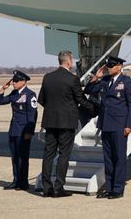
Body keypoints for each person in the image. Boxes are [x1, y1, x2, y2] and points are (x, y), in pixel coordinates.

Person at [37, 50, 92, 197]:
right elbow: (80, 99)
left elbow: (41, 99)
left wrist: (53, 110)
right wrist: (94, 108)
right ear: (68, 62)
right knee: (63, 155)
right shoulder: (72, 79)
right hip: (66, 122)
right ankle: (58, 187)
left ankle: (46, 187)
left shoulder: (47, 77)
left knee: (48, 154)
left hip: (50, 121)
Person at [83, 56, 131, 199]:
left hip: (120, 126)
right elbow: (89, 90)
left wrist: (129, 125)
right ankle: (109, 188)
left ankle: (118, 189)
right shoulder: (105, 81)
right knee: (108, 158)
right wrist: (96, 76)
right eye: (108, 65)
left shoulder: (127, 82)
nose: (109, 67)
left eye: (112, 65)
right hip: (106, 124)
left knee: (119, 157)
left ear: (119, 66)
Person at [0, 70, 37, 190]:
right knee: (15, 156)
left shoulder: (30, 95)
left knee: (23, 158)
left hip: (24, 131)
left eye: (16, 81)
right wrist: (3, 89)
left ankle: (23, 183)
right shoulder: (14, 93)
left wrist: (29, 131)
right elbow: (0, 101)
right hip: (14, 129)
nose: (14, 83)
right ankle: (16, 180)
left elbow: (32, 114)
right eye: (13, 81)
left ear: (24, 82)